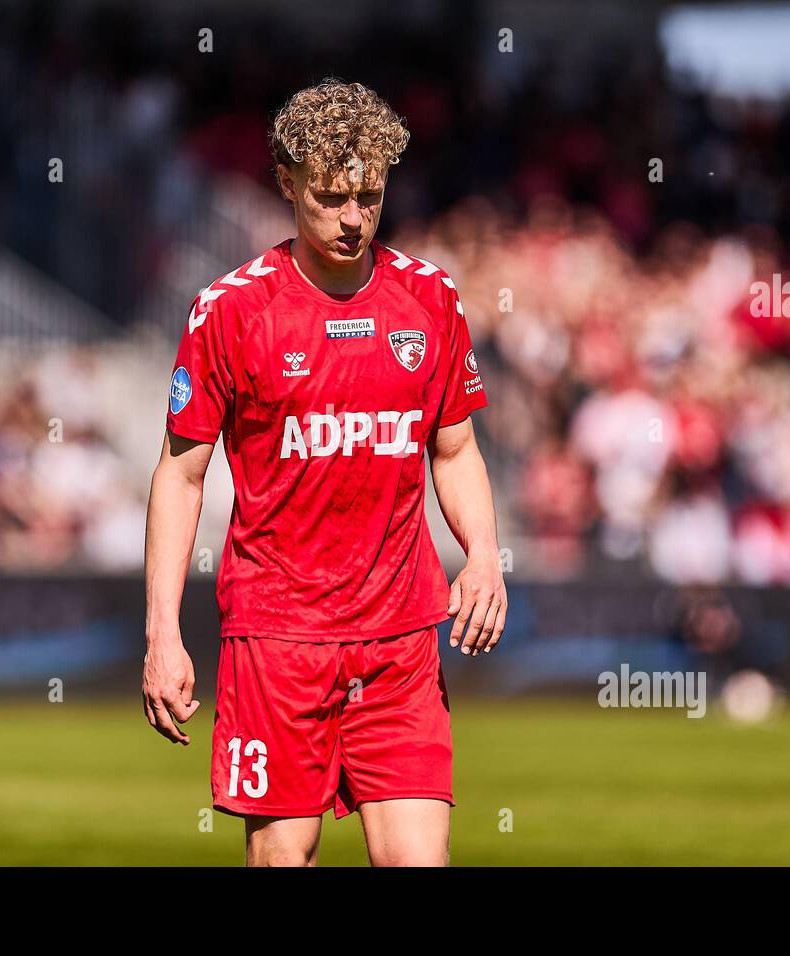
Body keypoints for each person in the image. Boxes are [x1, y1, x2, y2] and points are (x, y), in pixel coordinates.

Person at [142, 79, 505, 866]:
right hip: (276, 637)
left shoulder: (430, 301)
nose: (352, 218)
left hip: (401, 635)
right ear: (287, 183)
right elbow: (180, 475)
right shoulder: (231, 312)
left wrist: (482, 553)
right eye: (330, 196)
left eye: (369, 198)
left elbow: (455, 450)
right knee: (284, 859)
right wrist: (163, 632)